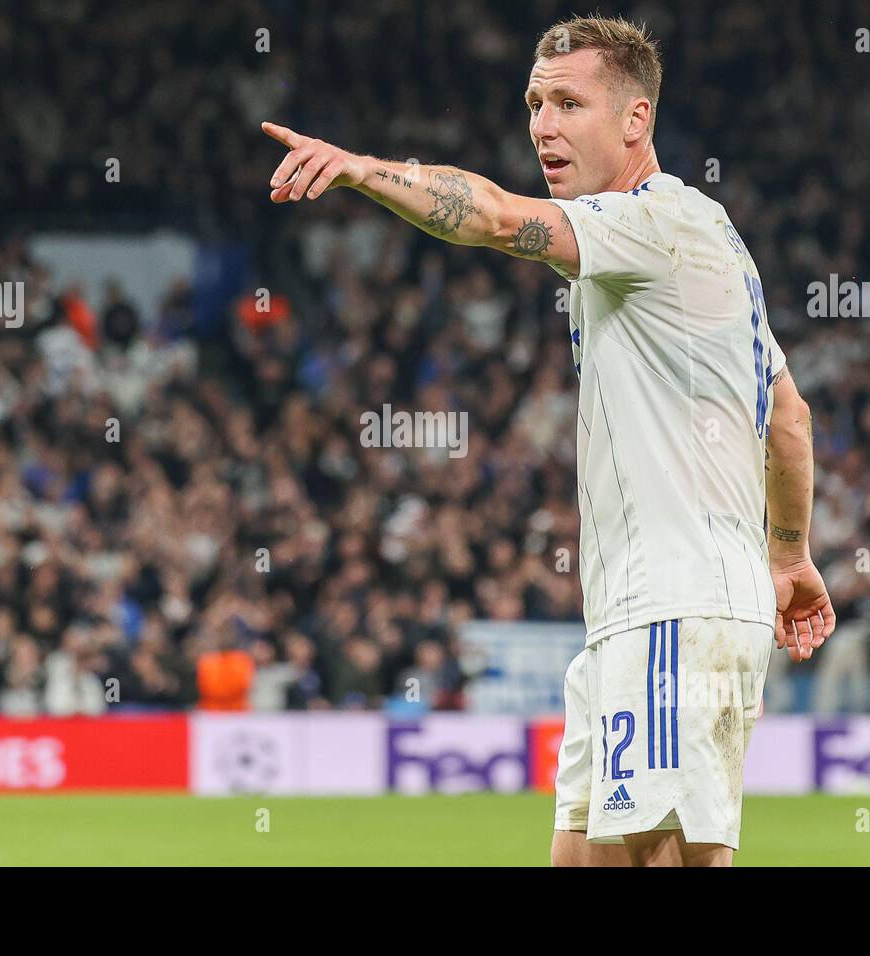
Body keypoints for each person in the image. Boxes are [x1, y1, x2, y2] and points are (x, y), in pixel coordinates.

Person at [261, 13, 834, 866]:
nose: (542, 125)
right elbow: (788, 418)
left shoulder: (657, 221)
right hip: (642, 616)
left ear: (636, 119)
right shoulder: (709, 242)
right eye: (534, 103)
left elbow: (491, 217)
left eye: (569, 104)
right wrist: (786, 558)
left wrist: (359, 170)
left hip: (672, 608)